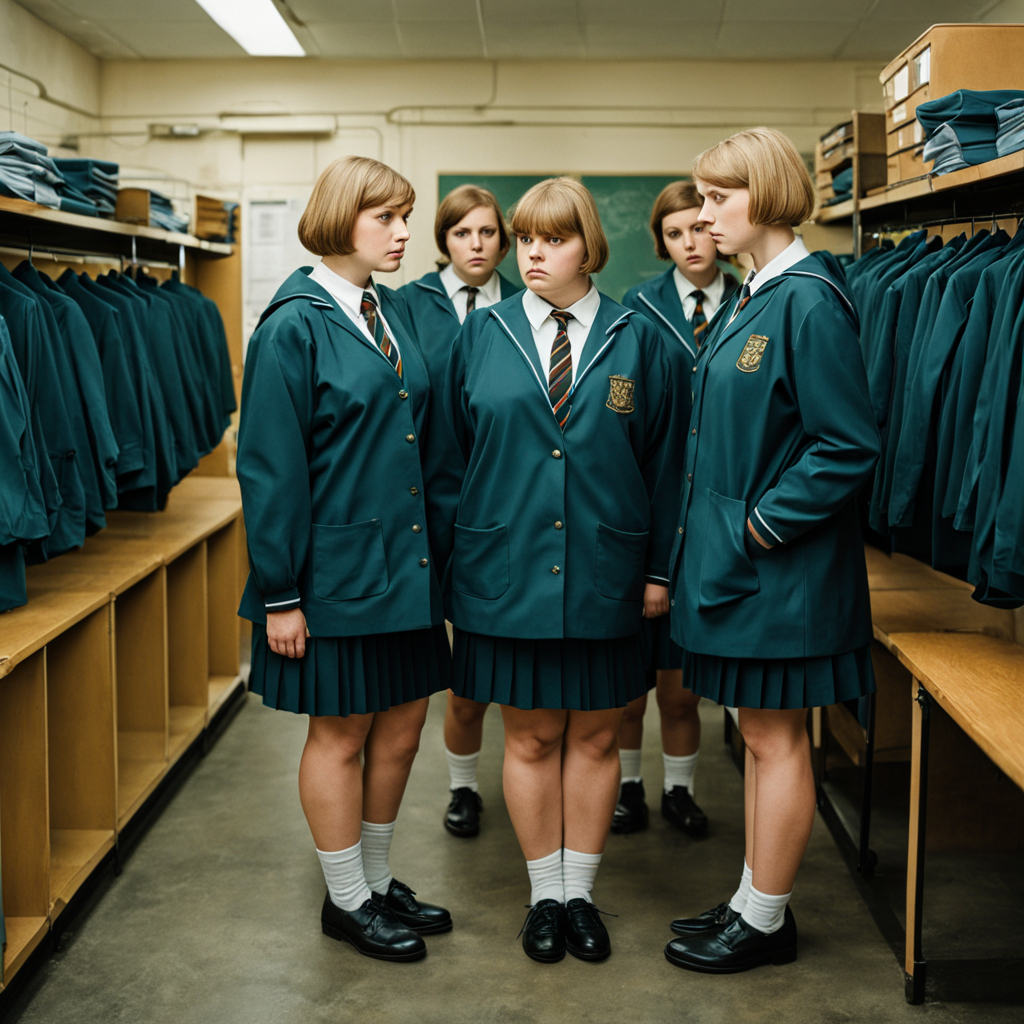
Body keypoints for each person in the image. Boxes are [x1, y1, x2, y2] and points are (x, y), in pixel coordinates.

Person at [443, 177, 685, 964]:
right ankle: (543, 895)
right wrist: (455, 565)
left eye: (553, 239)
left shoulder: (637, 337)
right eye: (525, 239)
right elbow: (447, 460)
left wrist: (658, 571)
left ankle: (580, 893)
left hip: (605, 572)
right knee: (531, 738)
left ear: (591, 246)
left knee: (596, 738)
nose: (533, 252)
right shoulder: (481, 336)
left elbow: (667, 466)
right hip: (505, 575)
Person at [662, 128, 880, 973]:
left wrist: (755, 527)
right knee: (759, 734)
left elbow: (846, 447)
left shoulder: (810, 298)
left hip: (780, 570)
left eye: (719, 198)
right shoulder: (757, 293)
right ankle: (757, 896)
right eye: (700, 197)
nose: (703, 213)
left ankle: (764, 919)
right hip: (744, 570)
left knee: (775, 738)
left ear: (770, 197)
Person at [236, 155, 456, 964]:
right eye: (386, 218)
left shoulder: (386, 310)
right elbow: (269, 467)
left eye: (406, 217)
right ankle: (346, 899)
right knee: (341, 731)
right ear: (340, 221)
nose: (404, 233)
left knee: (402, 725)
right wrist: (281, 590)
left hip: (404, 567)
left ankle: (374, 877)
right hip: (330, 575)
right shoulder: (293, 322)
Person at [614, 180, 740, 836]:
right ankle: (628, 786)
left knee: (682, 685)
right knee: (632, 680)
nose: (691, 243)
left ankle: (681, 791)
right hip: (651, 505)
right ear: (659, 241)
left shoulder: (752, 299)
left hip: (716, 511)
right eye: (674, 233)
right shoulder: (638, 308)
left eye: (699, 227)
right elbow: (621, 406)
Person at [400, 184, 521, 839]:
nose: (475, 246)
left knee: (479, 661)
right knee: (448, 672)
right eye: (461, 234)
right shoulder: (409, 305)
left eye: (486, 233)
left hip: (502, 505)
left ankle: (499, 780)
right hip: (429, 503)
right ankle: (463, 787)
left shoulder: (527, 303)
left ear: (504, 239)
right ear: (443, 240)